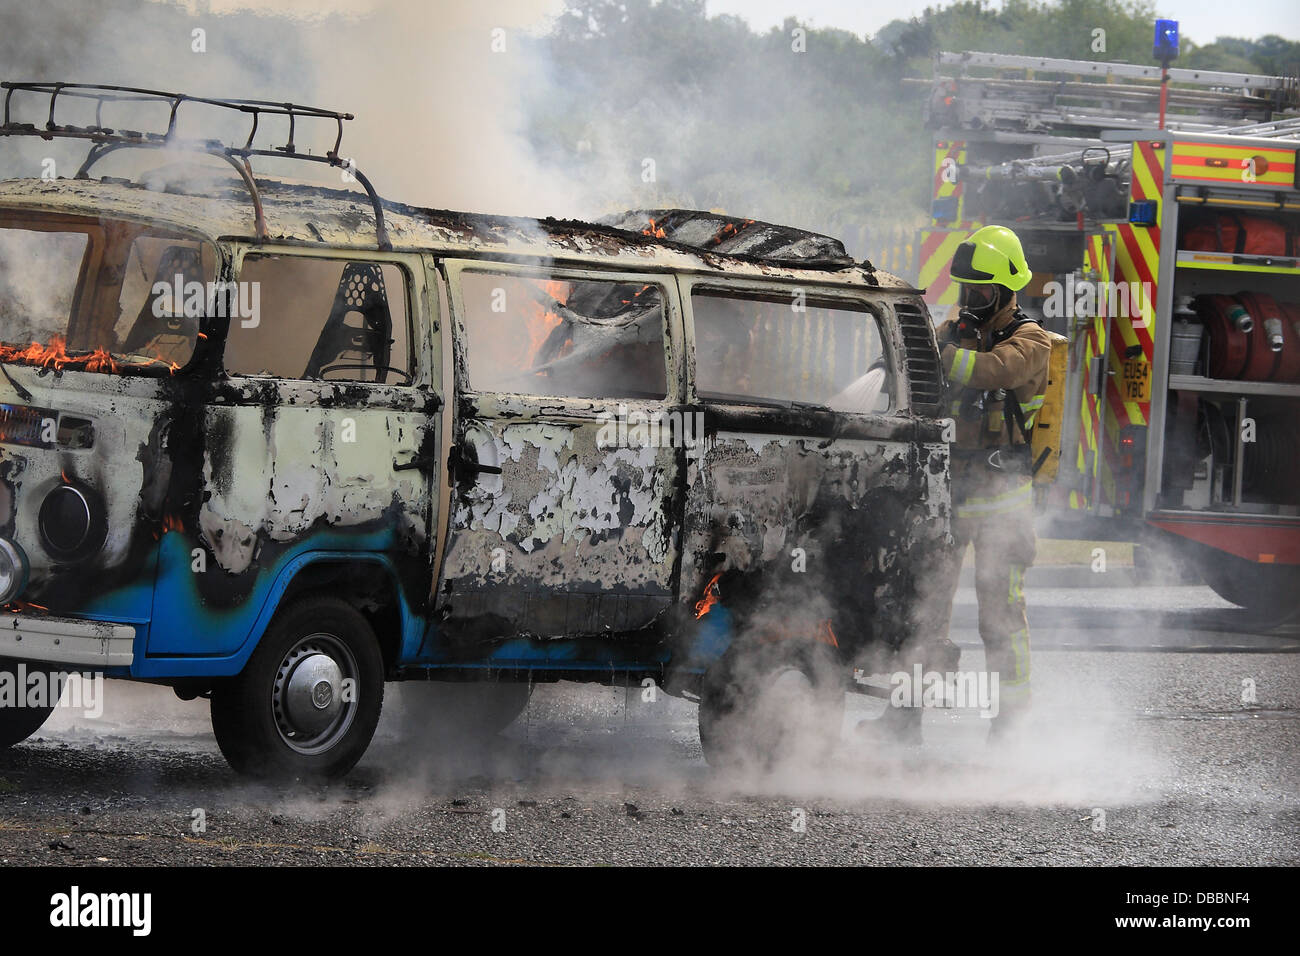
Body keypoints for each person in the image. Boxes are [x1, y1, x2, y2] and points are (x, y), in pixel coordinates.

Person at [864, 225, 1053, 746]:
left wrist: (934, 355)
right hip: (950, 494)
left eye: (980, 291)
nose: (969, 300)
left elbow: (992, 371)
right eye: (965, 289)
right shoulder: (955, 330)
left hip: (1002, 500)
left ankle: (1011, 726)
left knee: (1001, 615)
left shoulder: (1032, 342)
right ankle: (903, 721)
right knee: (922, 606)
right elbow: (924, 361)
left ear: (1007, 289)